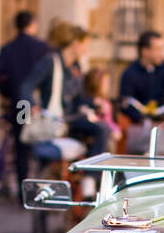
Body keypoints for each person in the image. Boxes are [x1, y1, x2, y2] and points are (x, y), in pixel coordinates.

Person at [19, 21, 111, 156]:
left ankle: (91, 176)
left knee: (103, 129)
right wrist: (30, 107)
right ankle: (89, 175)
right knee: (101, 131)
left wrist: (94, 104)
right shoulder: (50, 62)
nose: (87, 48)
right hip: (53, 121)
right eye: (85, 44)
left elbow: (79, 97)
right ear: (75, 43)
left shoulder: (76, 67)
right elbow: (26, 86)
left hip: (71, 119)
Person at [0, 10, 49, 194]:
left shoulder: (9, 48)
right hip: (36, 103)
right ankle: (40, 187)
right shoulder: (41, 47)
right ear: (32, 24)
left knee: (21, 146)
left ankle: (24, 191)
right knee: (38, 143)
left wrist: (8, 91)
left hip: (19, 103)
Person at [119, 30, 164, 125]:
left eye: (162, 49)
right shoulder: (130, 73)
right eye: (158, 49)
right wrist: (143, 119)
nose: (161, 53)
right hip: (139, 123)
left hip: (162, 119)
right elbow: (125, 102)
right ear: (145, 51)